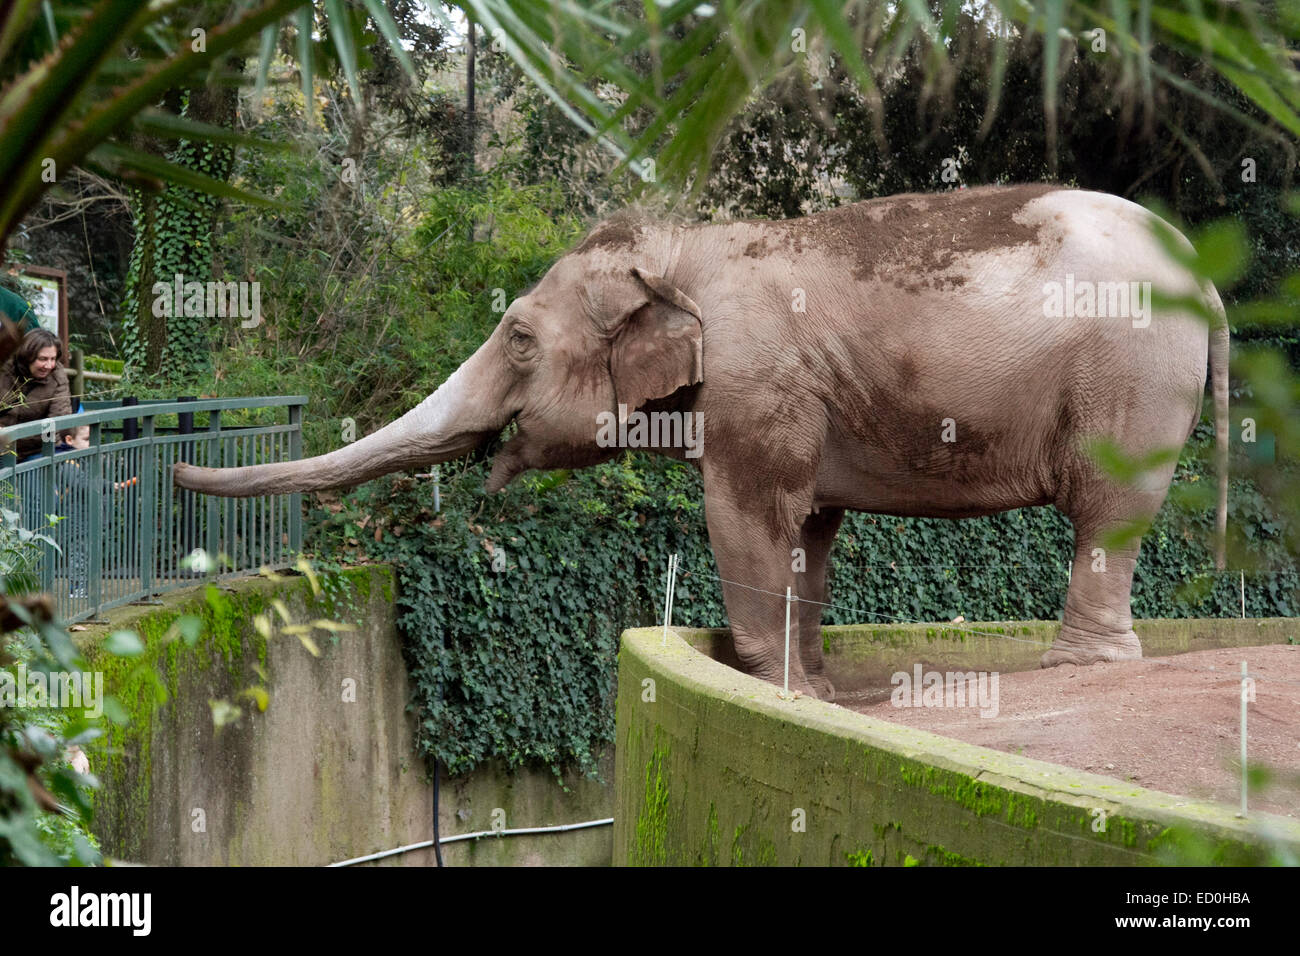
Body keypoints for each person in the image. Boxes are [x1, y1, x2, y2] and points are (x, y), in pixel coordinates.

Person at [54, 424, 136, 599]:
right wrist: (110, 486)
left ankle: (85, 586)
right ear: (69, 440)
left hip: (88, 518)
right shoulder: (68, 461)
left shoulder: (83, 458)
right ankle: (77, 588)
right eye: (86, 439)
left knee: (88, 553)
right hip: (76, 520)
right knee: (79, 555)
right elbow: (81, 483)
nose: (91, 443)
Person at [0, 328, 72, 461]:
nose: (49, 365)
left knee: (58, 472)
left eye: (53, 359)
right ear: (27, 356)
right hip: (3, 449)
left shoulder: (57, 377)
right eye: (43, 359)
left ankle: (110, 483)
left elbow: (59, 419)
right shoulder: (5, 370)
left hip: (36, 450)